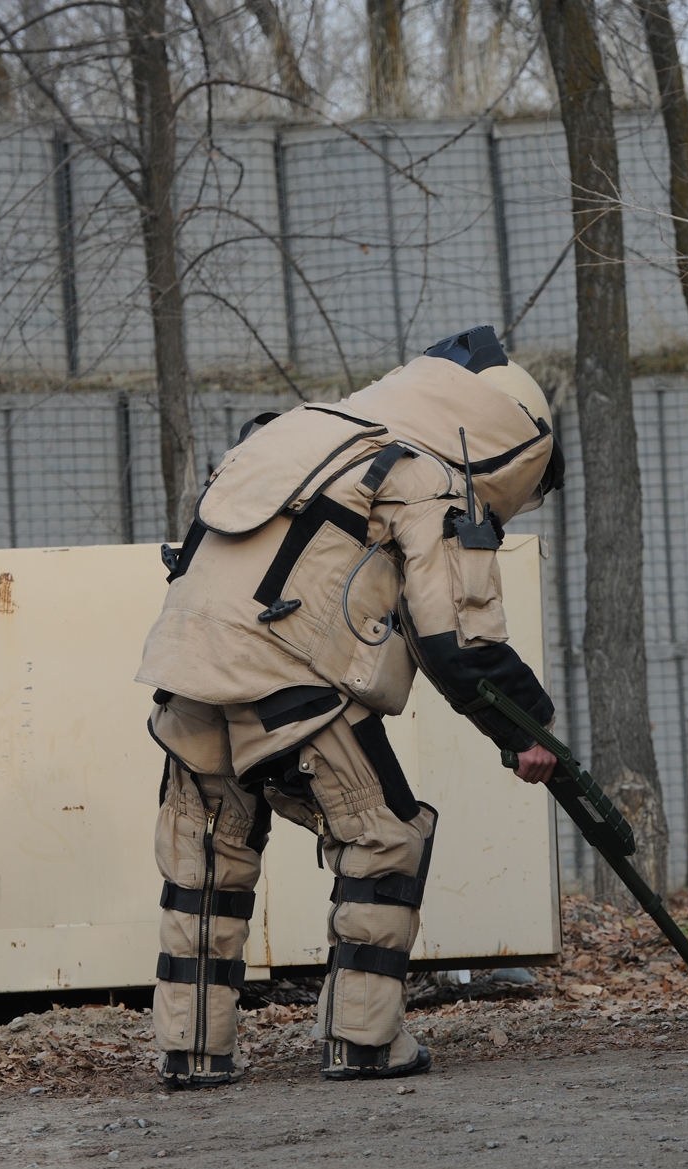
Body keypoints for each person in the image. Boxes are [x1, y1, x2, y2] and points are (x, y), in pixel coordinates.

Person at [135, 326, 561, 1090]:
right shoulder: (423, 473)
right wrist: (527, 728)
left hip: (188, 667)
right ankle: (363, 1037)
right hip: (290, 676)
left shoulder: (293, 432)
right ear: (511, 440)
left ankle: (192, 1049)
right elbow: (457, 640)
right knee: (386, 837)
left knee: (207, 851)